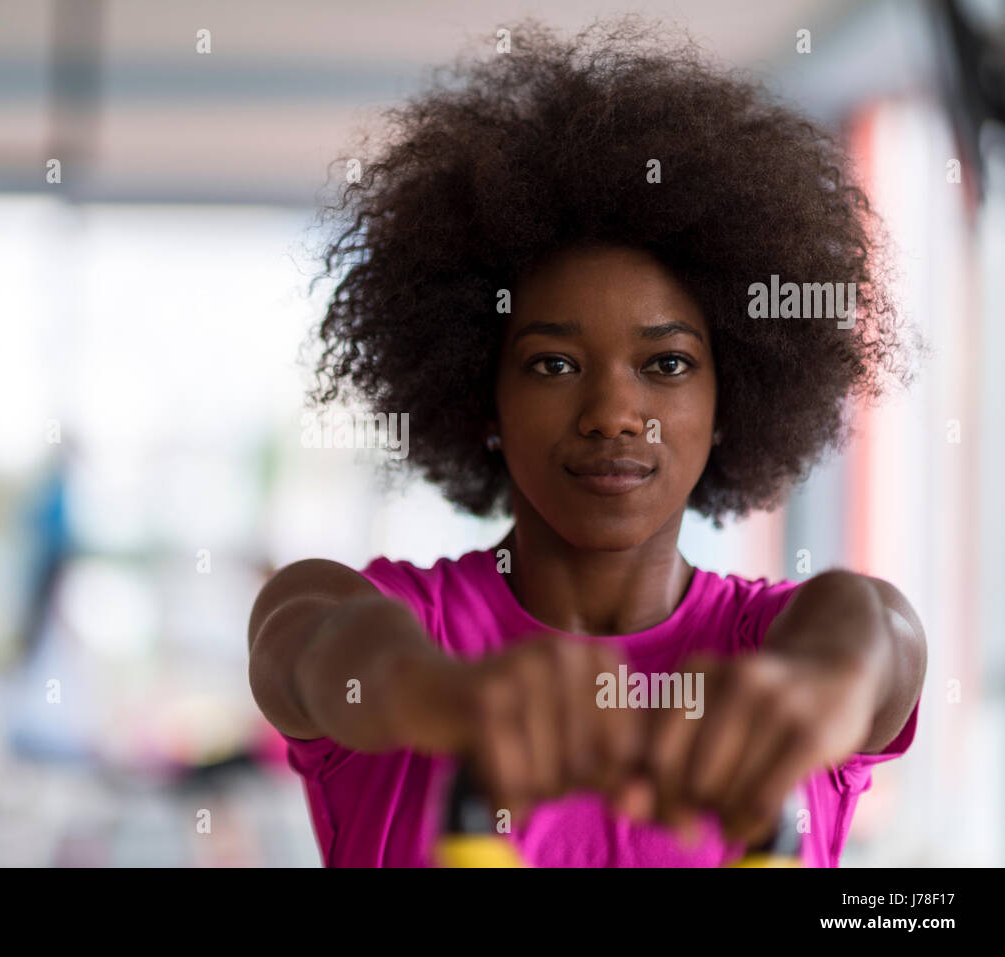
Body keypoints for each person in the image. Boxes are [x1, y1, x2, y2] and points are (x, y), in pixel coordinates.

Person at [248, 18, 927, 867]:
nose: (613, 411)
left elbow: (874, 630)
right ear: (482, 398)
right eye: (553, 362)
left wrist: (818, 685)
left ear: (732, 404)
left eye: (668, 362)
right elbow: (305, 638)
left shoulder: (777, 647)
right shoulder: (403, 628)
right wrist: (440, 695)